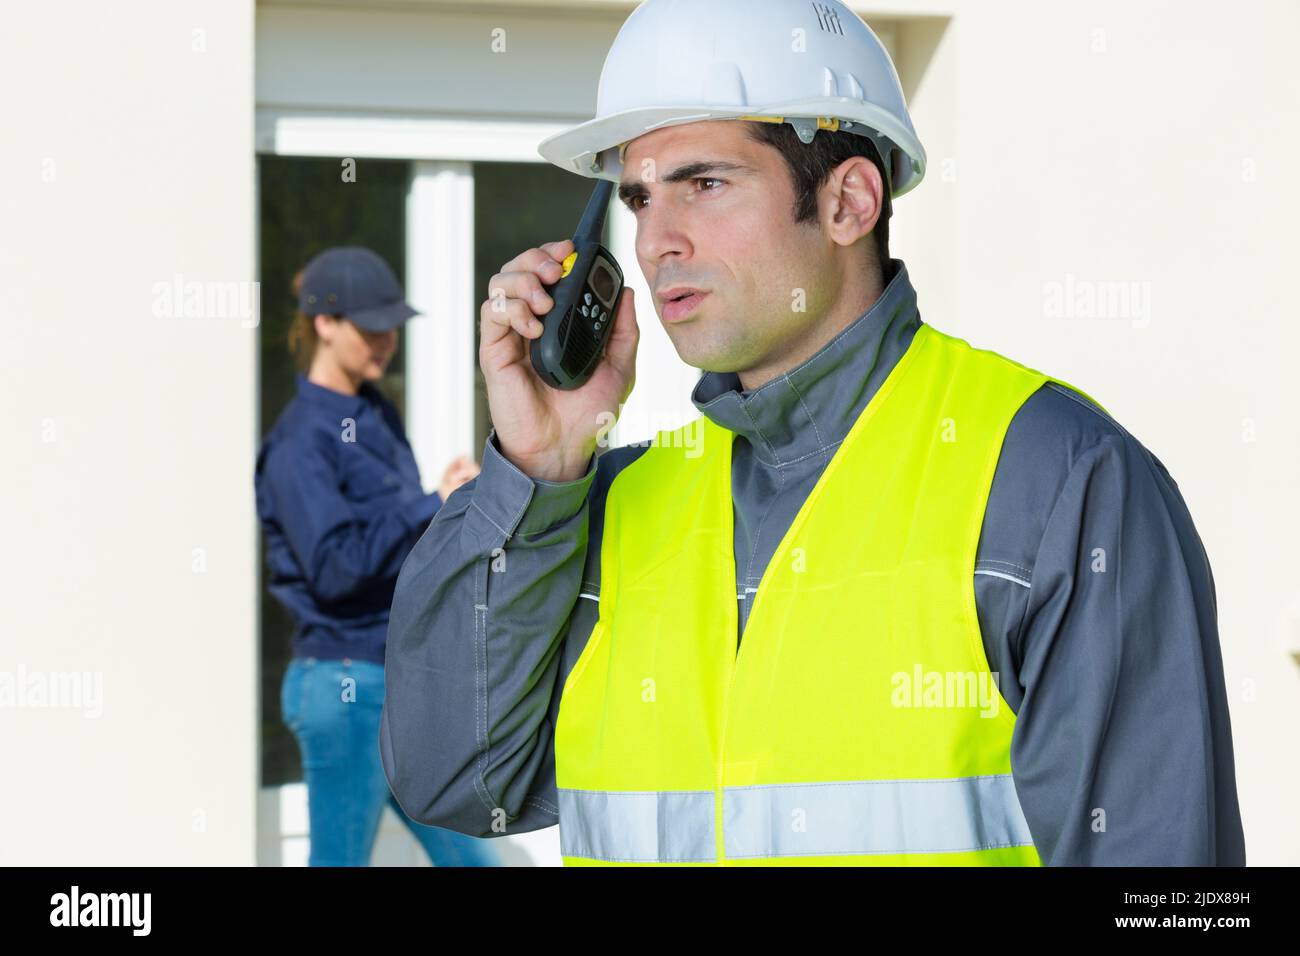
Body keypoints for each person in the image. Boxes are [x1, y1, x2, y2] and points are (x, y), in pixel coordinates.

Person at [379, 0, 1245, 865]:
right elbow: (456, 780)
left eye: (705, 185)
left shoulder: (1057, 481)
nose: (654, 243)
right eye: (639, 199)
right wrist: (538, 469)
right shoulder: (612, 505)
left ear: (848, 201)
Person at [256, 245, 499, 867]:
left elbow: (397, 544)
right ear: (324, 324)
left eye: (392, 324)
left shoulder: (373, 413)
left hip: (397, 681)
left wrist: (446, 504)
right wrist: (427, 502)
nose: (386, 340)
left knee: (473, 861)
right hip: (344, 687)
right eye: (371, 327)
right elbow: (335, 569)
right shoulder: (299, 443)